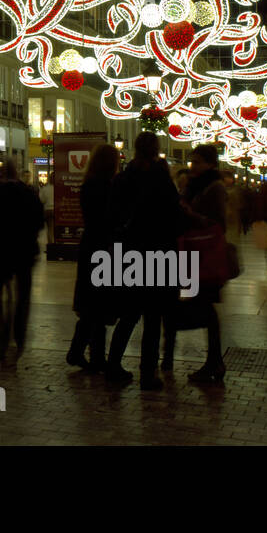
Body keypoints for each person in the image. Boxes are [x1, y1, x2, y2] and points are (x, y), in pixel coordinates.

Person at [105, 132, 182, 389]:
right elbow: (173, 211)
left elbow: (114, 213)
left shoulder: (124, 177)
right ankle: (148, 373)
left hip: (130, 251)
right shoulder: (160, 176)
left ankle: (113, 363)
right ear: (155, 150)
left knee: (129, 314)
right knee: (153, 316)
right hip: (157, 251)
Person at [0, 162, 42, 363]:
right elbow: (38, 223)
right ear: (18, 173)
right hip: (23, 253)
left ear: (0, 175)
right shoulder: (29, 194)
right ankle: (18, 337)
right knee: (22, 297)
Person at [171, 144, 228, 384]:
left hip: (206, 254)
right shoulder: (194, 185)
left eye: (197, 162)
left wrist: (188, 213)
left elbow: (216, 223)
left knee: (206, 307)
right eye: (192, 162)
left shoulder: (215, 187)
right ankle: (213, 361)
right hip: (193, 252)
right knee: (204, 307)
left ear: (210, 163)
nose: (192, 166)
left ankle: (214, 361)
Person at [66, 143, 120, 372]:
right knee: (99, 305)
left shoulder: (88, 184)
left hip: (90, 245)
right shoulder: (109, 186)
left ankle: (91, 355)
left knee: (93, 305)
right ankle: (83, 353)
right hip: (104, 247)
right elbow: (110, 219)